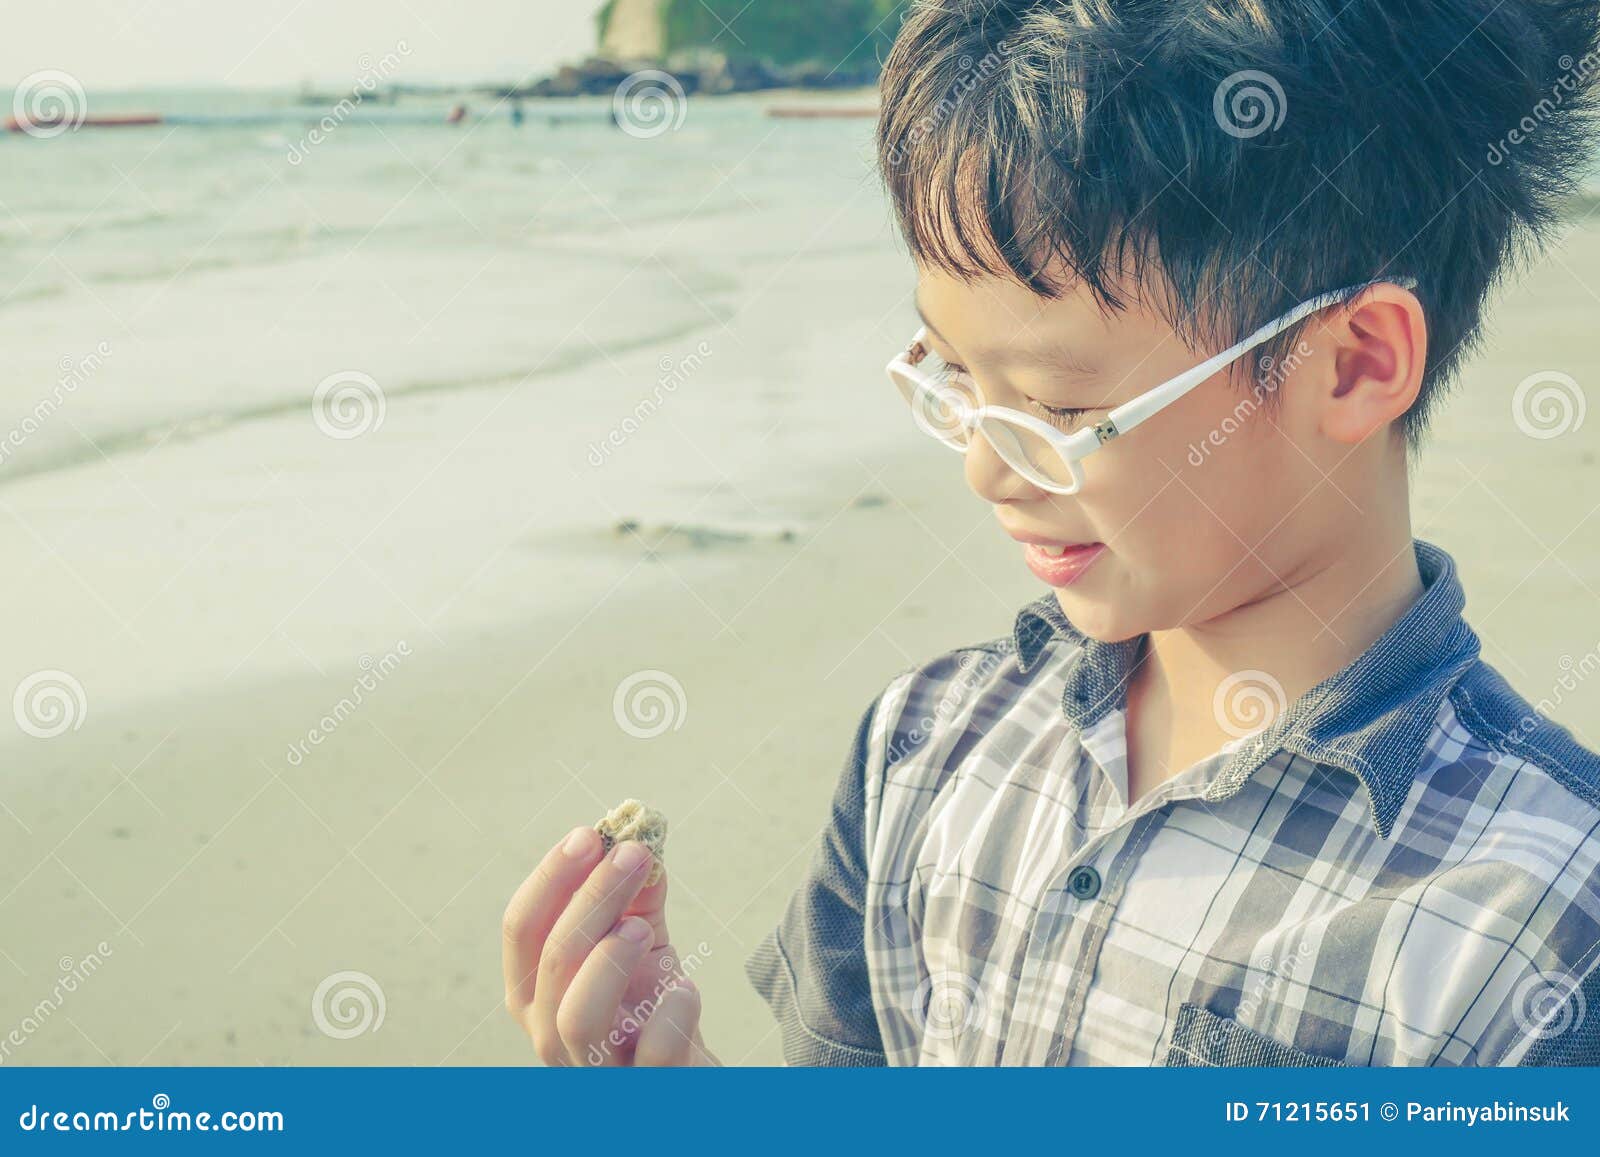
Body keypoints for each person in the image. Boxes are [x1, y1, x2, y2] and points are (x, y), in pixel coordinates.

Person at [501, 0, 1600, 1066]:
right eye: (956, 378)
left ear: (1353, 363)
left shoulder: (1533, 918)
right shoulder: (924, 750)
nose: (986, 466)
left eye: (1060, 411)